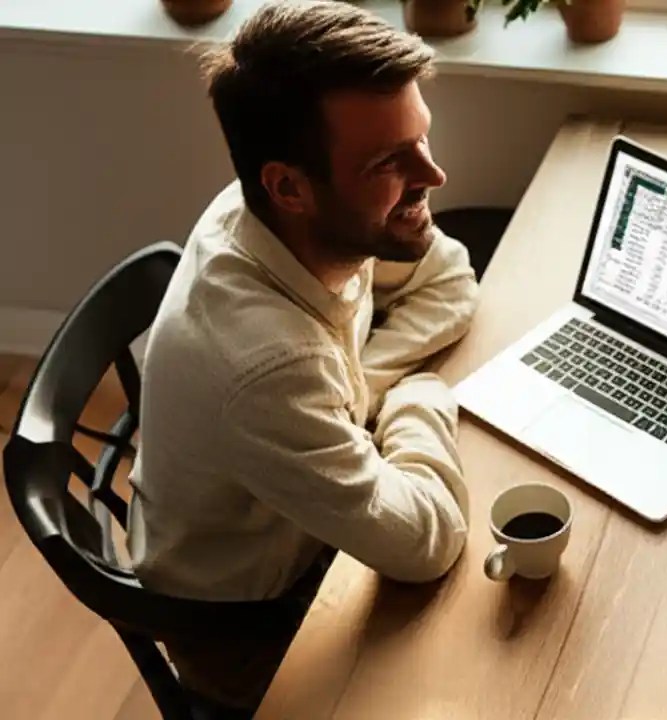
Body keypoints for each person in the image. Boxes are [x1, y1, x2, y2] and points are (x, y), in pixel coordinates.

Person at [125, 1, 477, 711]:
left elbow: (450, 277)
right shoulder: (266, 365)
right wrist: (416, 397)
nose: (432, 175)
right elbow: (428, 543)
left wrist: (364, 387)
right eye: (389, 161)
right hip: (254, 627)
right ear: (289, 185)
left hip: (308, 528)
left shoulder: (278, 213)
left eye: (422, 139)